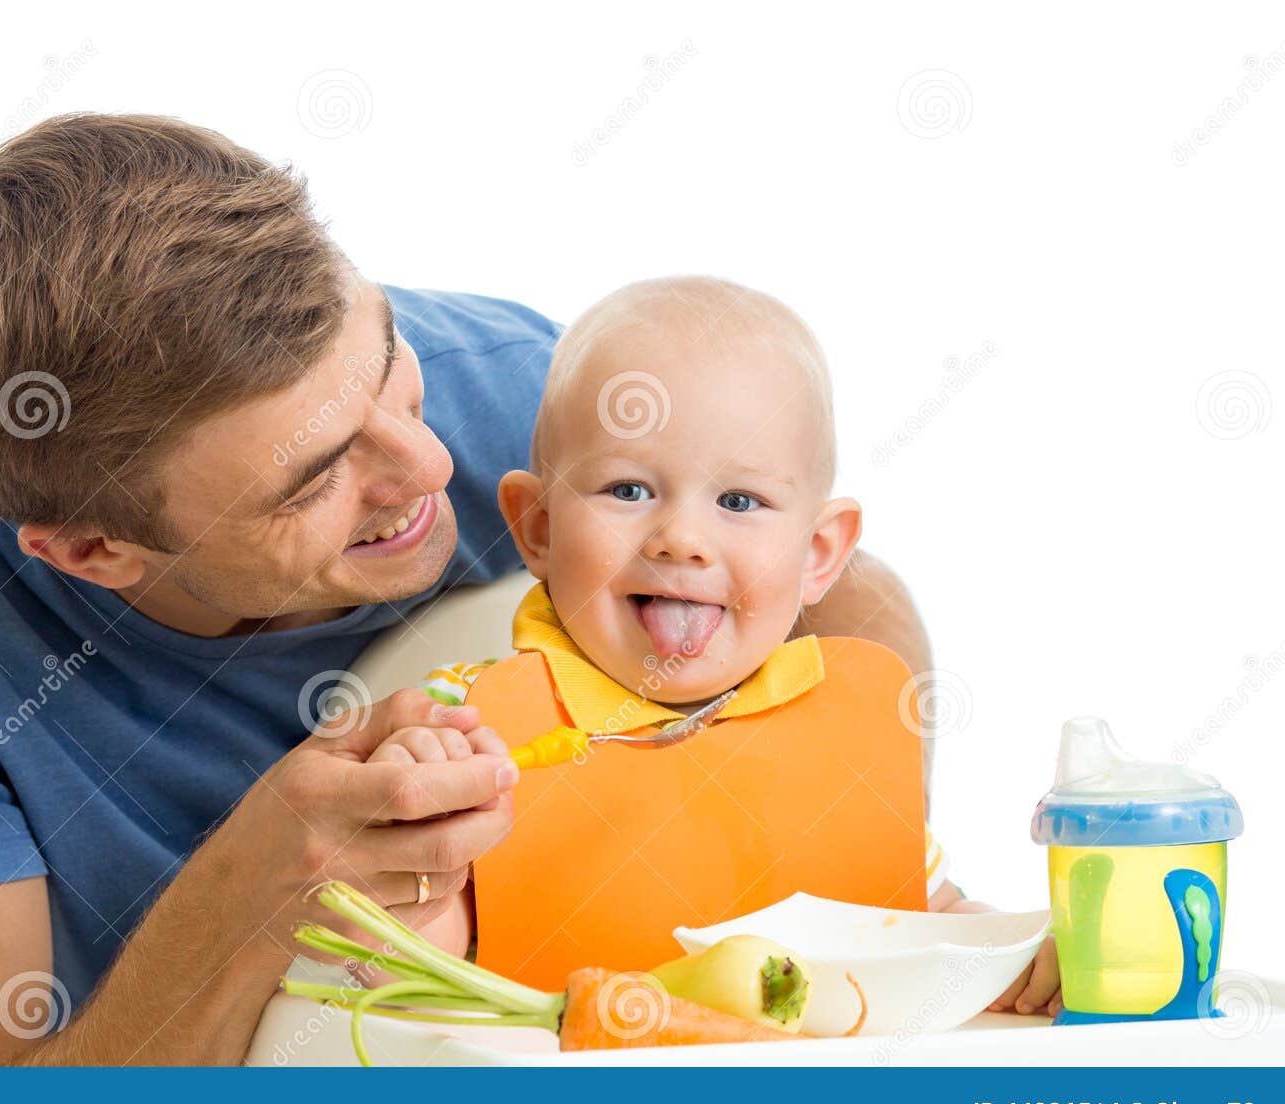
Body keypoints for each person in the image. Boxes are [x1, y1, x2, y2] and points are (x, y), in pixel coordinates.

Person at [0, 115, 941, 1066]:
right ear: (93, 552)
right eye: (314, 477)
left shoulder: (520, 393)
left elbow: (833, 590)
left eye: (386, 365)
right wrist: (258, 887)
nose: (426, 467)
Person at [392, 277, 1061, 1016]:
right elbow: (412, 962)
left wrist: (1020, 958)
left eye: (739, 501)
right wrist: (408, 863)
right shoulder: (470, 728)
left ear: (818, 553)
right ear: (539, 528)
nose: (681, 538)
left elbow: (925, 917)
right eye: (629, 490)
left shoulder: (845, 746)